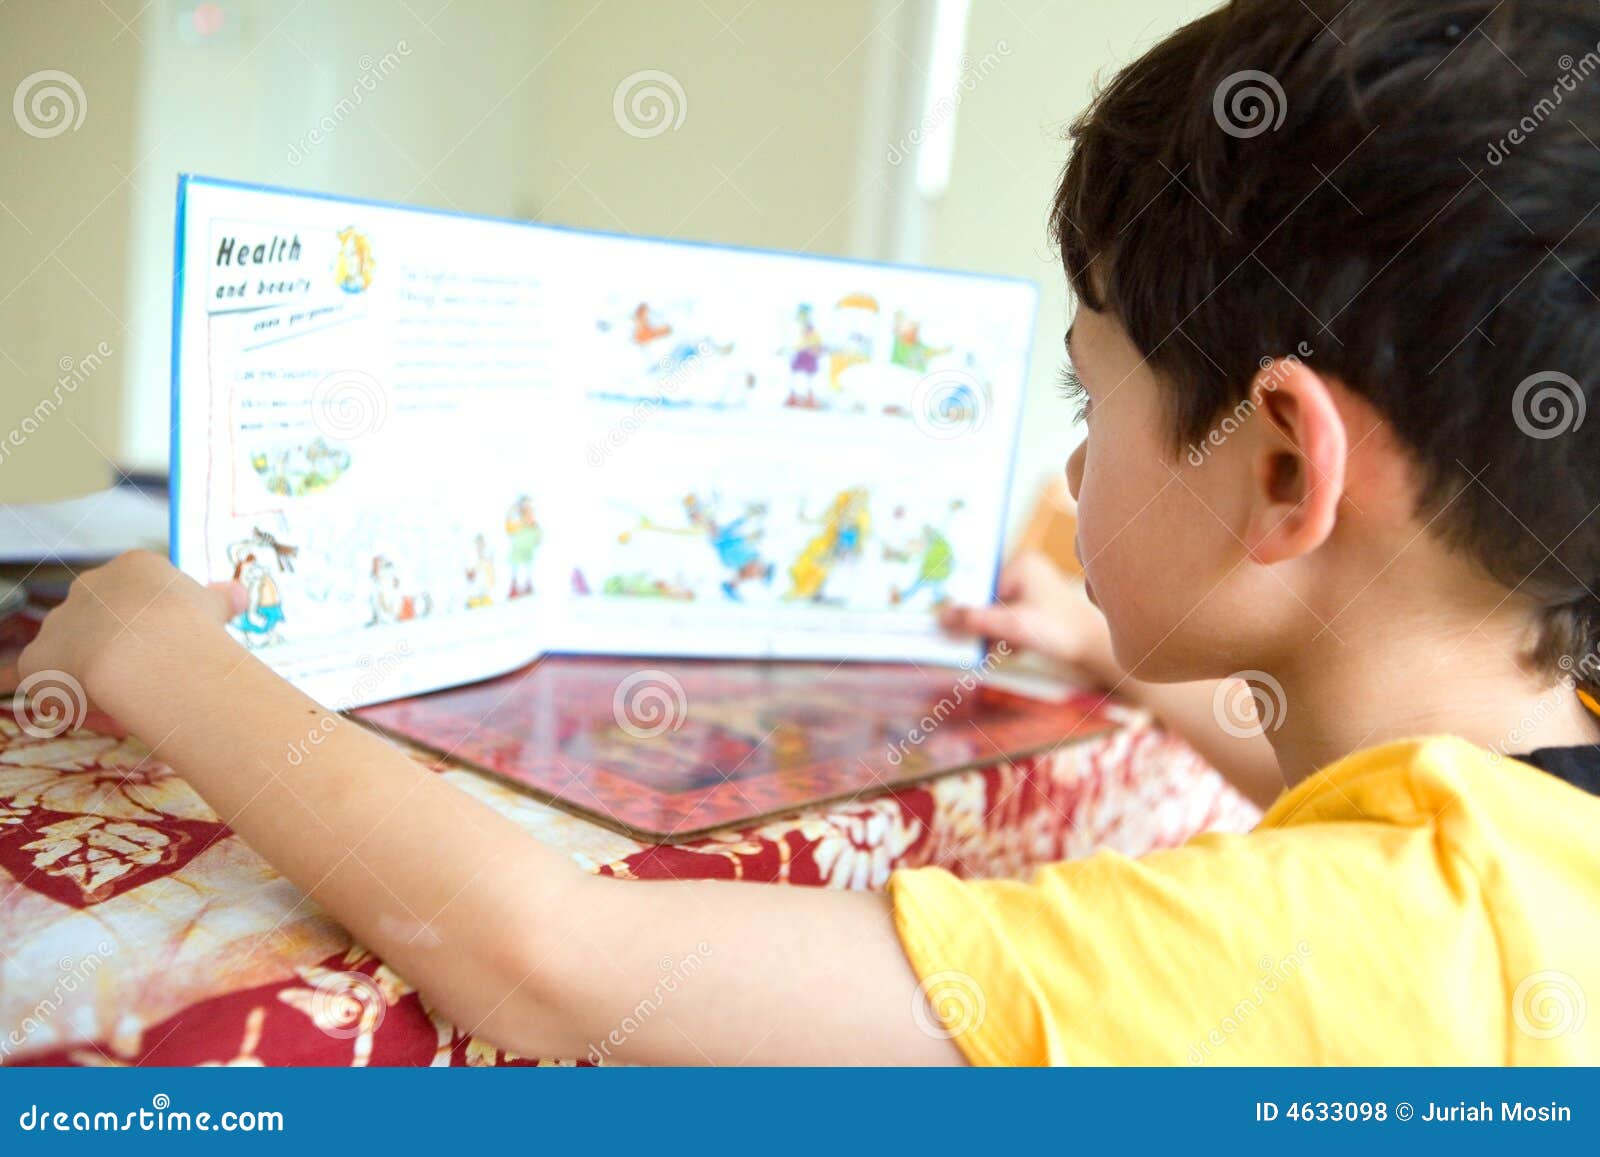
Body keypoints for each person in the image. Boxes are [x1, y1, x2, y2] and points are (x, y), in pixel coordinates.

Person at [15, 0, 1600, 1063]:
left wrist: (168, 659)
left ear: (1282, 471)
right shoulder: (1532, 811)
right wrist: (1125, 672)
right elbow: (1366, 800)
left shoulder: (1330, 955)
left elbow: (553, 959)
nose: (1070, 462)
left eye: (1086, 399)